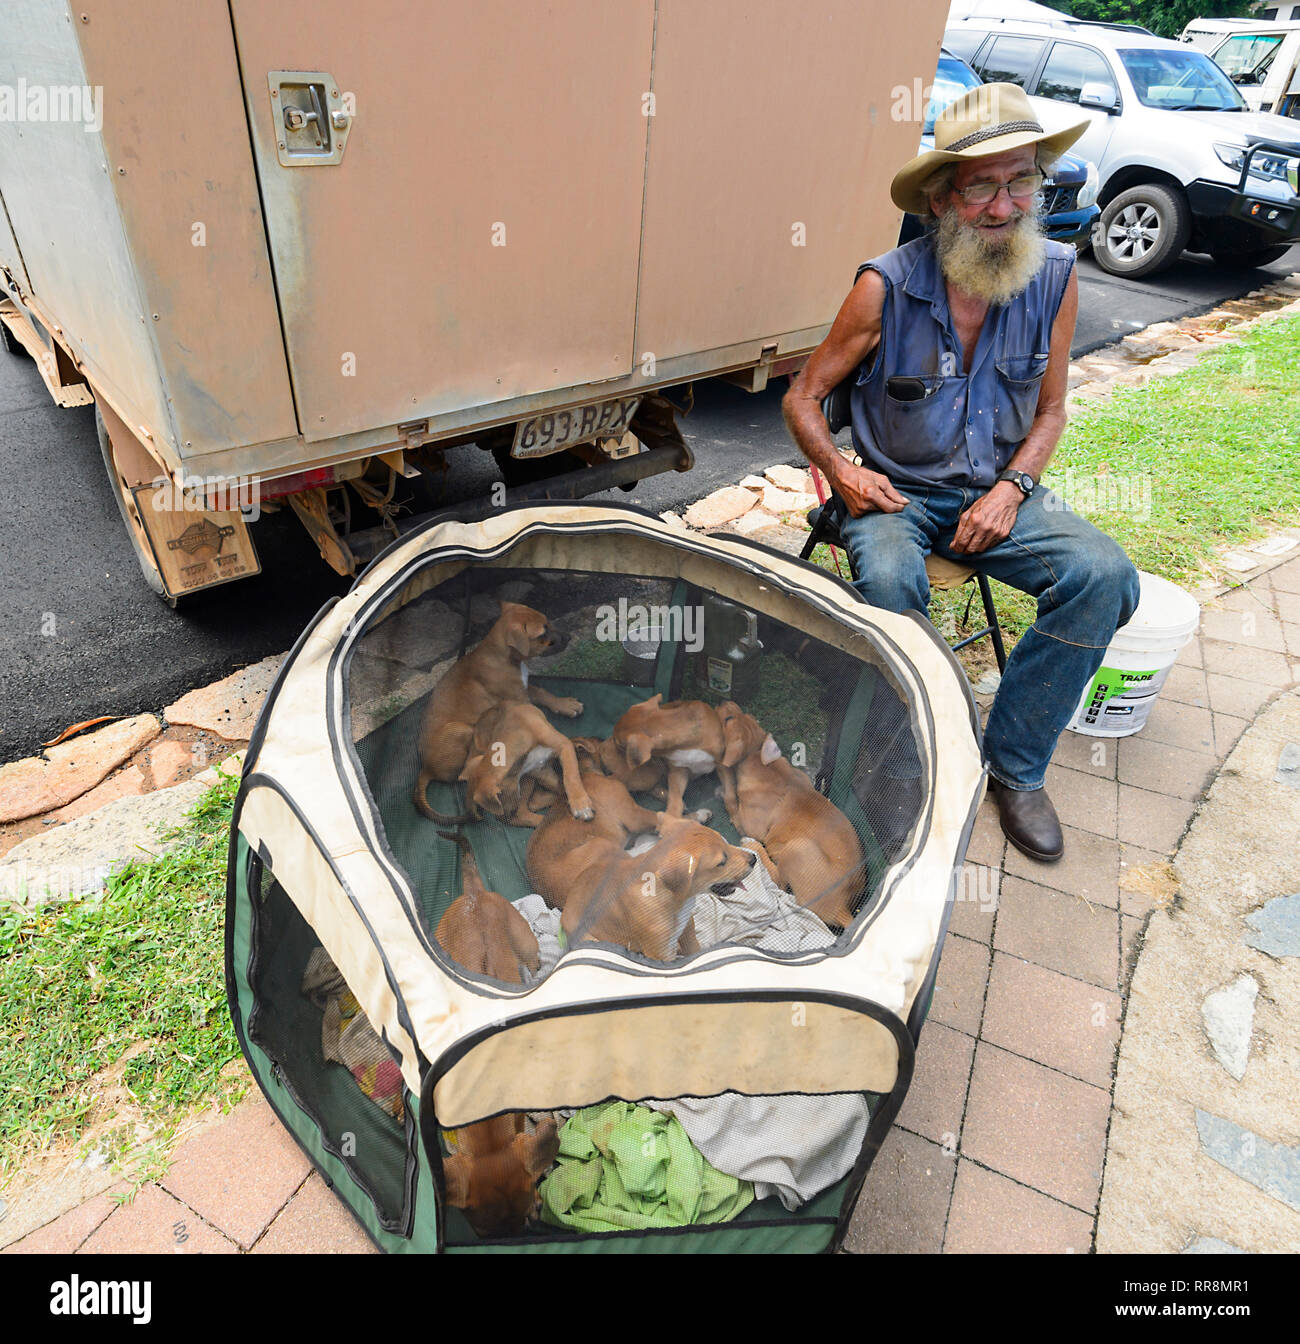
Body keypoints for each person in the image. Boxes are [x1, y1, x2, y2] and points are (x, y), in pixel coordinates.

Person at [783, 84, 1140, 863]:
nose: (1004, 206)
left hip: (1001, 492)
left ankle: (1014, 768)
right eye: (982, 187)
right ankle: (901, 756)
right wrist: (842, 473)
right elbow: (802, 397)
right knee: (889, 585)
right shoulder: (884, 286)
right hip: (894, 493)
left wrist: (1012, 490)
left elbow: (1051, 411)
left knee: (1106, 577)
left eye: (1021, 182)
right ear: (943, 198)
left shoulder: (1055, 275)